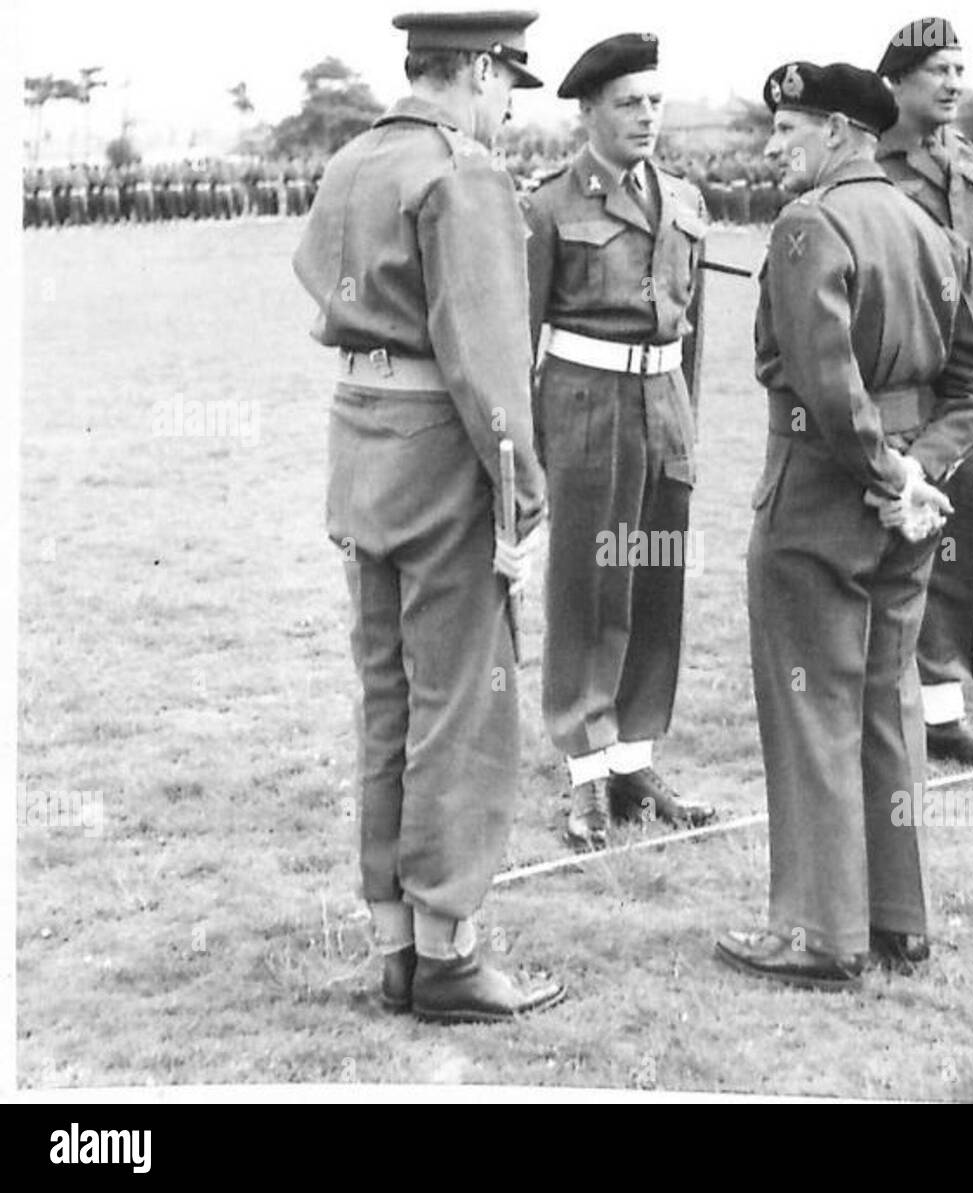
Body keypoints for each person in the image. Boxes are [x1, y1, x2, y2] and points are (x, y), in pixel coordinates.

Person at [293, 8, 564, 1023]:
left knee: (390, 699)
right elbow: (488, 353)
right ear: (482, 68)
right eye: (506, 86)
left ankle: (396, 940)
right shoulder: (464, 170)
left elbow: (321, 288)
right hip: (446, 451)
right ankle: (450, 952)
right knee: (463, 701)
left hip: (361, 444)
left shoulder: (355, 158)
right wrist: (520, 488)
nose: (504, 109)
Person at [716, 61, 973, 989]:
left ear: (839, 132)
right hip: (902, 510)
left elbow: (828, 384)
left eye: (788, 131)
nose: (772, 148)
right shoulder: (931, 228)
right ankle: (896, 921)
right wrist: (919, 476)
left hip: (821, 493)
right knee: (887, 703)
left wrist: (891, 472)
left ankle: (819, 931)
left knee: (813, 709)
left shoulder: (811, 224)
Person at [522, 32, 715, 850]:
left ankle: (635, 761)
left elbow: (692, 327)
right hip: (587, 408)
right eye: (629, 102)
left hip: (662, 404)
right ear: (589, 111)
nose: (646, 115)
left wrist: (686, 418)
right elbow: (518, 335)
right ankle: (588, 775)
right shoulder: (549, 206)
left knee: (656, 586)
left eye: (655, 101)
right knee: (590, 588)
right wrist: (531, 447)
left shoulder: (683, 198)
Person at [876, 17, 973, 770]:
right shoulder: (873, 162)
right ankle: (878, 703)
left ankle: (943, 714)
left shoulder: (960, 159)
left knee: (957, 550)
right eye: (937, 68)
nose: (954, 82)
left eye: (960, 68)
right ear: (897, 80)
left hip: (955, 374)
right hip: (894, 372)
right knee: (884, 541)